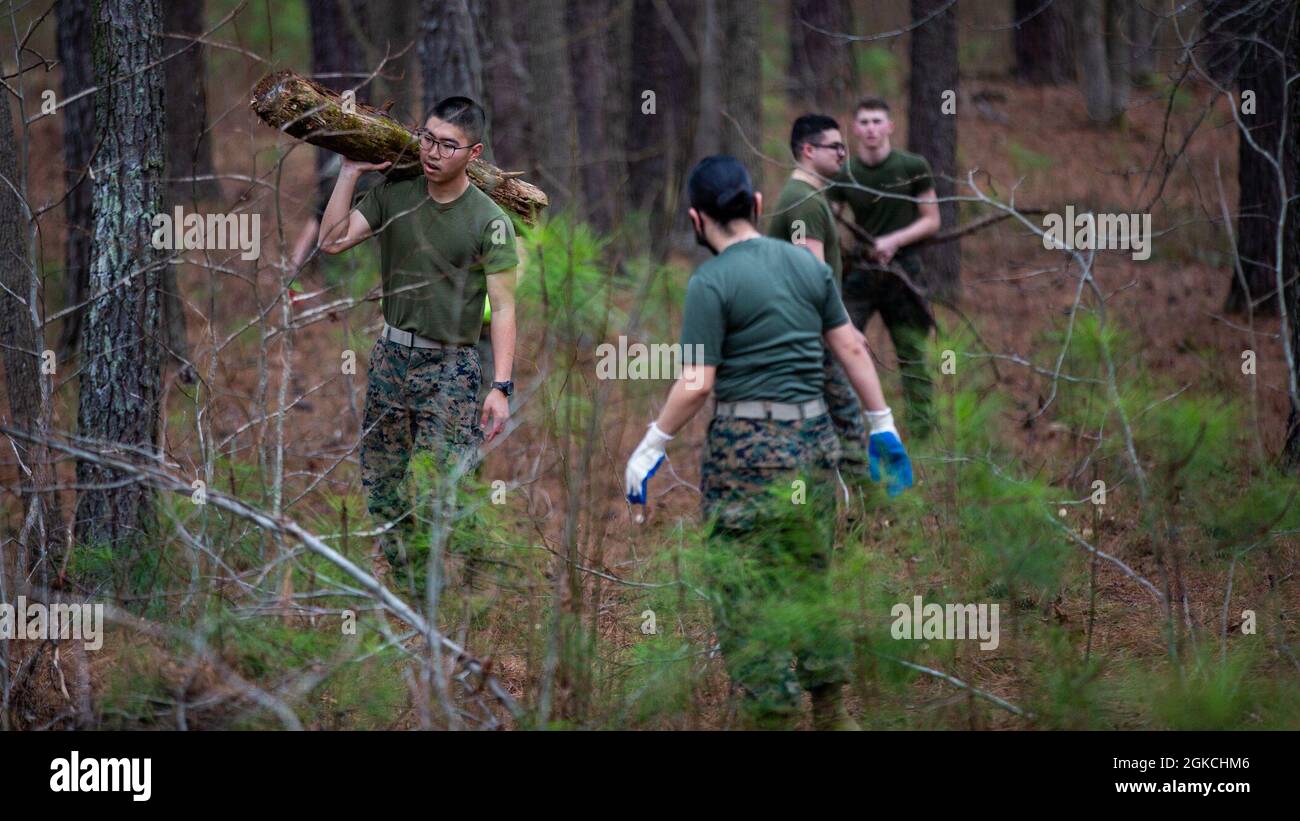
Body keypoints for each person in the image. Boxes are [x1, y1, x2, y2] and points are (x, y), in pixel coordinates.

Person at [623, 155, 913, 730]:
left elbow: (698, 381)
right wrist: (883, 425)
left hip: (745, 452)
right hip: (814, 443)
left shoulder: (710, 280)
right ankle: (832, 711)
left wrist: (652, 443)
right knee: (809, 571)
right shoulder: (808, 269)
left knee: (741, 581)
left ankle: (773, 714)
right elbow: (852, 347)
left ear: (695, 220)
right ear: (756, 205)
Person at [319, 96, 519, 599]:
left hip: (451, 368)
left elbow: (505, 308)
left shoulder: (489, 220)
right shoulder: (397, 192)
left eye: (447, 145)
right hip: (392, 358)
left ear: (473, 154)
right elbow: (333, 241)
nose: (432, 152)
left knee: (438, 490)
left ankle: (464, 586)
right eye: (427, 139)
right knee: (383, 485)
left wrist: (501, 386)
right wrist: (348, 173)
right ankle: (413, 598)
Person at [767, 113, 874, 488]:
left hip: (805, 330)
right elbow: (812, 274)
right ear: (808, 151)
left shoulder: (806, 196)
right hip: (808, 332)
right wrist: (842, 330)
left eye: (844, 145)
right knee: (845, 419)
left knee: (821, 419)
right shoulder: (806, 201)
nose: (844, 153)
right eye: (835, 146)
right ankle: (859, 511)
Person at [827, 97, 942, 438]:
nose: (871, 129)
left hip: (904, 272)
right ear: (855, 128)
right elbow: (828, 222)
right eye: (864, 122)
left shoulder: (912, 166)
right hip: (860, 273)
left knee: (913, 354)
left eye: (877, 121)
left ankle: (923, 435)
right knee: (841, 347)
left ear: (890, 126)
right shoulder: (845, 173)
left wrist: (893, 241)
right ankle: (845, 431)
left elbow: (931, 220)